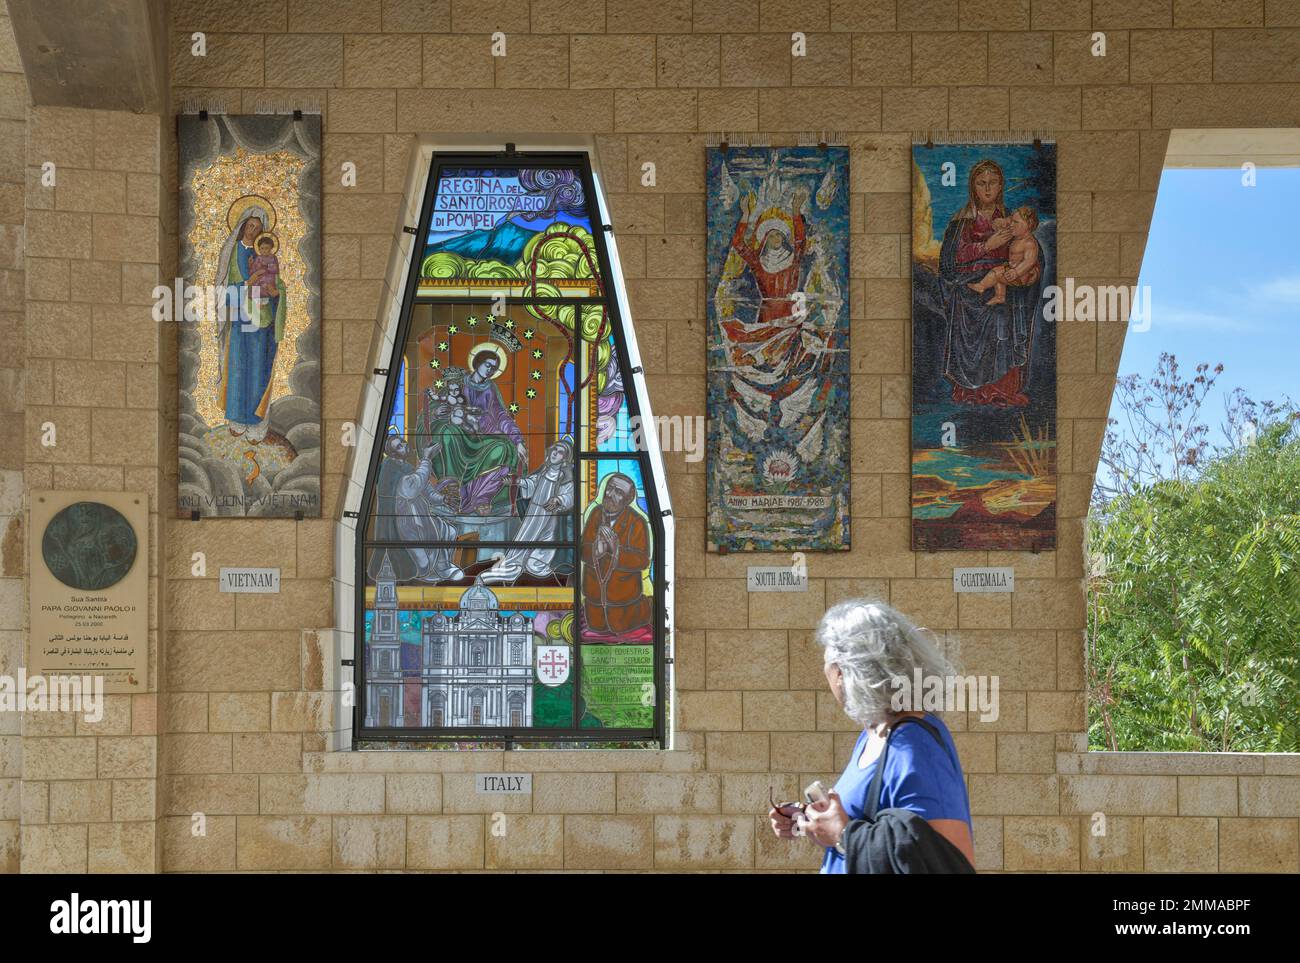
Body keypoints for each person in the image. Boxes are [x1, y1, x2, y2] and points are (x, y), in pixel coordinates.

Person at [768, 599, 974, 873]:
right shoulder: (876, 733)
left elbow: (946, 857)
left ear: (843, 673)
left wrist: (843, 836)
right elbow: (873, 821)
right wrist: (809, 818)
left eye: (828, 667)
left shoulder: (913, 746)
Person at [369, 435, 463, 584]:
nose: (404, 446)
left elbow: (426, 490)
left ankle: (444, 567)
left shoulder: (407, 467)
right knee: (423, 565)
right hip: (406, 523)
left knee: (449, 531)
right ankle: (431, 571)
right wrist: (426, 458)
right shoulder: (390, 471)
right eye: (399, 446)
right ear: (392, 454)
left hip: (422, 516)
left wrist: (443, 499)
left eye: (403, 442)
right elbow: (412, 488)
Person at [482, 439, 574, 584]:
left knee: (543, 541)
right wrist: (516, 482)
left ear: (565, 458)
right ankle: (516, 563)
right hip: (535, 510)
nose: (555, 453)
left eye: (560, 452)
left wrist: (558, 500)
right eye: (554, 450)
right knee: (526, 536)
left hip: (548, 515)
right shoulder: (545, 470)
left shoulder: (564, 477)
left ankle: (531, 564)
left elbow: (570, 495)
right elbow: (532, 482)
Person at [580, 472, 652, 641]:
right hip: (594, 604)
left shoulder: (637, 521)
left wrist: (615, 550)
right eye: (609, 488)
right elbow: (582, 550)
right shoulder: (596, 514)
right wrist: (595, 551)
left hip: (623, 605)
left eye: (618, 492)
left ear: (627, 500)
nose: (610, 494)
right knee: (595, 628)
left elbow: (642, 560)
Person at [966, 206, 1040, 306]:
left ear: (1028, 225)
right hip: (1011, 269)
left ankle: (981, 286)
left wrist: (1016, 272)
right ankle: (1000, 296)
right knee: (1000, 276)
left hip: (1020, 275)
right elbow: (1006, 222)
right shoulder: (1017, 236)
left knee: (995, 273)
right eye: (1012, 222)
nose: (1011, 225)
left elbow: (1029, 262)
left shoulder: (1029, 243)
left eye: (1016, 222)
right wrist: (1003, 222)